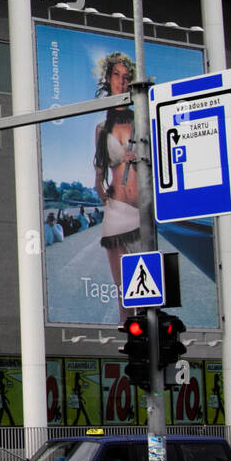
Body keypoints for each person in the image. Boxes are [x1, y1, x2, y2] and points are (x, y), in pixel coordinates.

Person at [94, 52, 140, 323]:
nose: (122, 83)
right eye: (117, 76)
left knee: (147, 291)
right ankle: (130, 346)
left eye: (127, 78)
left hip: (143, 212)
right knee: (124, 291)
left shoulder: (142, 121)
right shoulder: (102, 129)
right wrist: (106, 200)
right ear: (108, 80)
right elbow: (98, 179)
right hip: (117, 211)